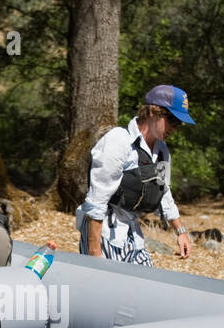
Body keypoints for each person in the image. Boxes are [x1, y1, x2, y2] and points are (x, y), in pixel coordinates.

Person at [76, 85, 194, 264]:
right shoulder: (119, 140)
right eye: (172, 119)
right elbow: (96, 202)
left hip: (132, 232)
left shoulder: (162, 151)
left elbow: (163, 191)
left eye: (179, 123)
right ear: (154, 111)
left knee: (146, 287)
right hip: (106, 233)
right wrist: (95, 257)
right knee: (109, 290)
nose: (174, 128)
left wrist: (180, 231)